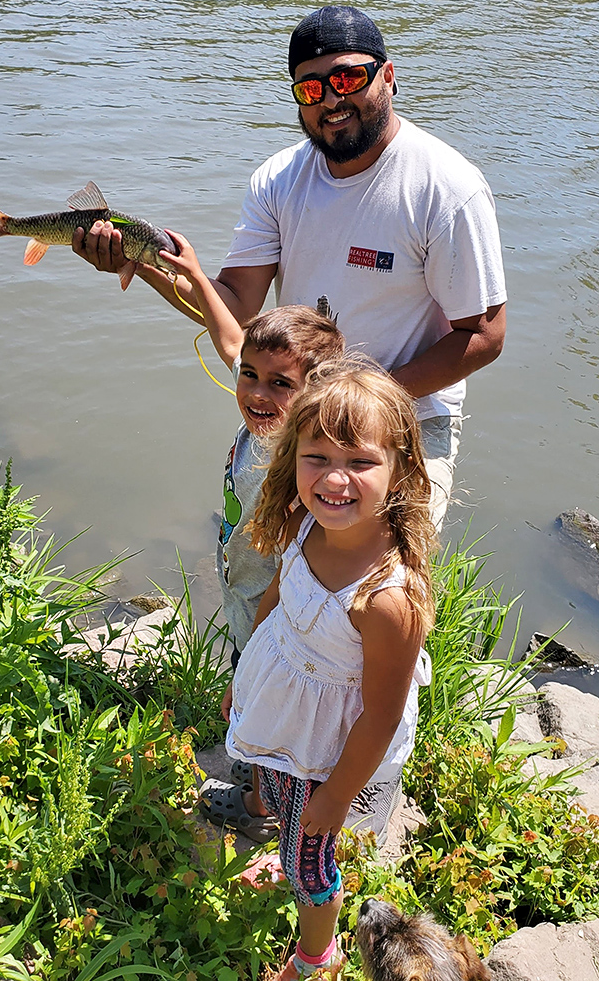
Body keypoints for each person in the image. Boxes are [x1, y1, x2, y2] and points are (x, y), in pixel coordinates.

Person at [72, 5, 507, 529]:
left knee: (375, 593)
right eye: (311, 89)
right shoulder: (277, 180)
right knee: (253, 566)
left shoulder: (446, 188)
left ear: (387, 76)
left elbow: (484, 334)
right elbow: (233, 308)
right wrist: (140, 263)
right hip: (289, 408)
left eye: (348, 78)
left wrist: (356, 403)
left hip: (403, 416)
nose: (332, 99)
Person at [224, 360, 436, 980]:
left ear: (400, 471)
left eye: (361, 462)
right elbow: (276, 600)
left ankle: (317, 957)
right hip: (284, 701)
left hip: (330, 748)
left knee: (316, 861)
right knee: (281, 794)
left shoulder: (387, 599)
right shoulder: (302, 521)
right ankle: (287, 850)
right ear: (293, 457)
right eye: (318, 457)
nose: (335, 478)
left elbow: (382, 714)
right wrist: (248, 679)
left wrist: (337, 796)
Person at [162, 231, 345, 841]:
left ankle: (266, 806)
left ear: (316, 395)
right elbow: (232, 340)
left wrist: (255, 663)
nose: (256, 393)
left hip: (274, 620)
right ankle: (267, 779)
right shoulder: (274, 424)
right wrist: (190, 275)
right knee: (255, 701)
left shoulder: (295, 463)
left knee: (264, 706)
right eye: (250, 377)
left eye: (279, 384)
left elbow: (295, 573)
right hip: (246, 600)